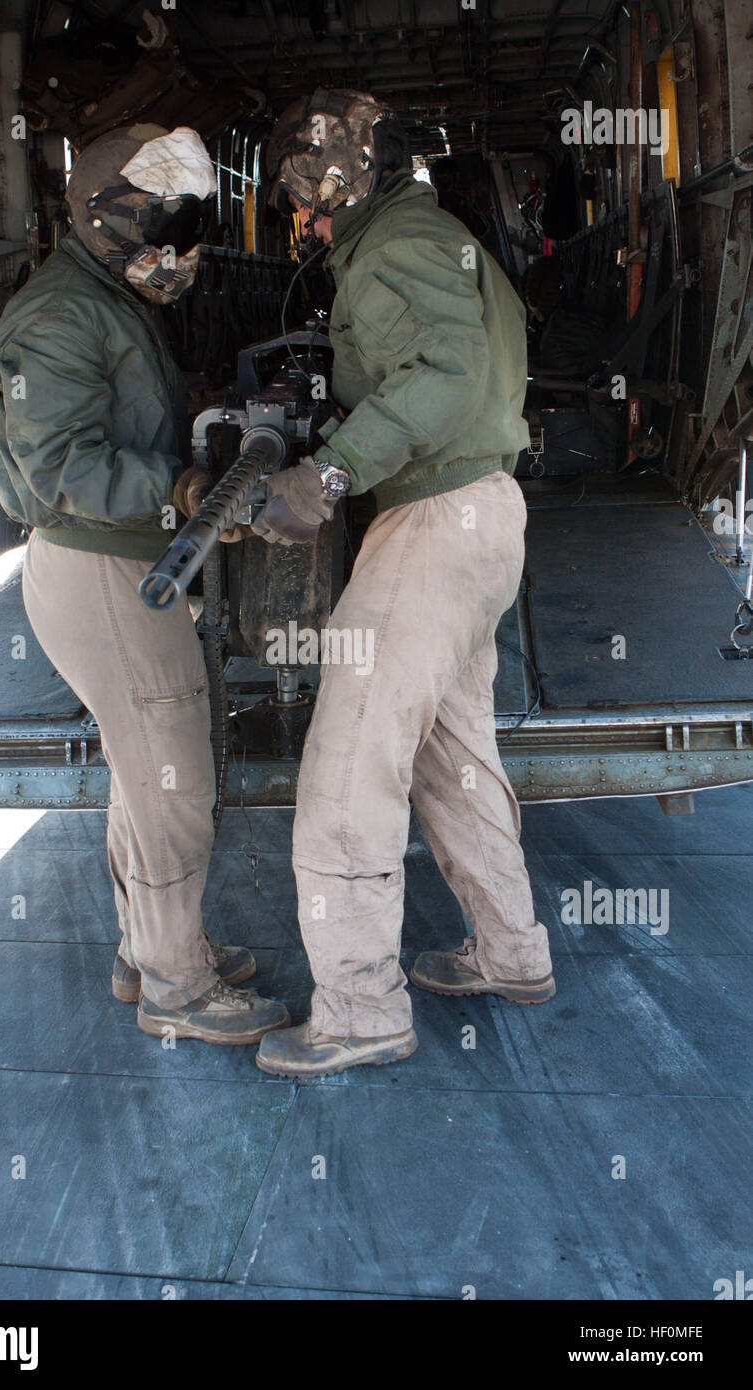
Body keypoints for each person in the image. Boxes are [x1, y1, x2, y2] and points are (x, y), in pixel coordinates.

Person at [251, 89, 555, 1078]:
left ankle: (356, 1009)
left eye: (302, 190)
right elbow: (446, 366)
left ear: (330, 177)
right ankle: (510, 954)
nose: (301, 212)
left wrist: (325, 472)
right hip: (481, 517)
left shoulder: (396, 247)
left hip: (429, 521)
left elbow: (441, 373)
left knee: (347, 763)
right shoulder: (437, 236)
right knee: (452, 757)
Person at [0, 124, 289, 1046]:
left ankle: (147, 949)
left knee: (142, 772)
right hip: (101, 567)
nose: (184, 243)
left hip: (121, 559)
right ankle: (176, 988)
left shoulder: (104, 299)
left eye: (195, 221)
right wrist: (180, 488)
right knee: (173, 779)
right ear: (107, 214)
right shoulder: (59, 317)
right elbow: (58, 469)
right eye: (169, 220)